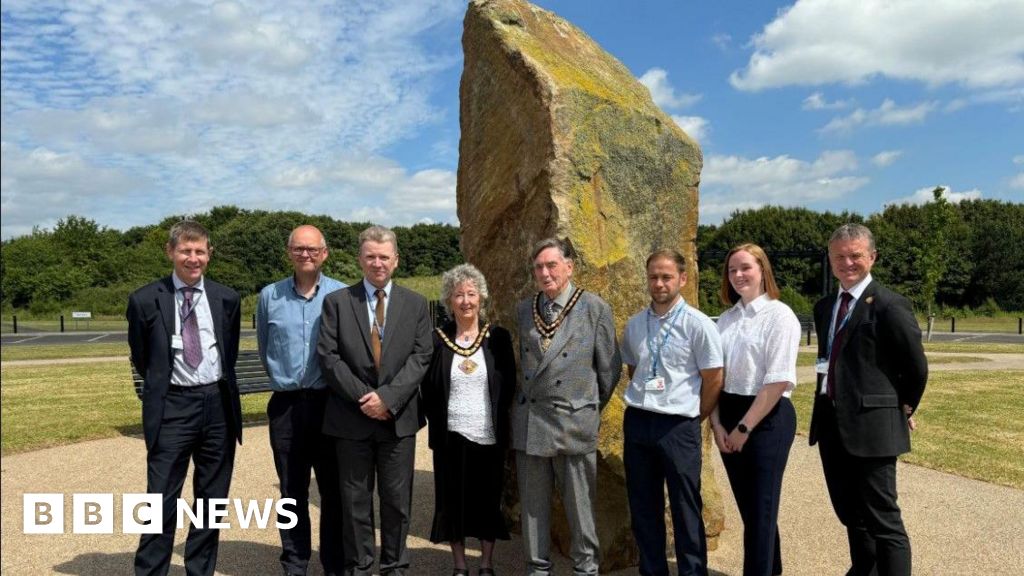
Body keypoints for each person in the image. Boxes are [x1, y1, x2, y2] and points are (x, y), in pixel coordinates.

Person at [809, 224, 928, 576]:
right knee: (851, 514)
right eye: (839, 256)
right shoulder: (825, 307)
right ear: (830, 259)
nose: (847, 263)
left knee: (883, 521)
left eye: (855, 255)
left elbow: (915, 366)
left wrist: (904, 405)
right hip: (832, 425)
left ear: (872, 257)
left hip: (874, 428)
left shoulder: (889, 305)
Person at [126, 220, 241, 576]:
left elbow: (229, 351)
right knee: (161, 498)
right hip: (173, 407)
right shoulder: (145, 300)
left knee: (211, 500)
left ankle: (200, 569)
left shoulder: (227, 298)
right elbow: (143, 358)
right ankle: (151, 570)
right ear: (170, 252)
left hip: (217, 406)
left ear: (209, 254)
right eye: (185, 251)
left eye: (200, 251)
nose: (193, 258)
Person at [317, 225, 432, 576]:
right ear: (360, 259)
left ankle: (394, 566)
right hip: (351, 419)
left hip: (398, 420)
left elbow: (421, 356)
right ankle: (360, 567)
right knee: (355, 502)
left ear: (396, 260)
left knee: (396, 502)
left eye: (384, 257)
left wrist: (387, 399)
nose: (377, 263)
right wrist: (365, 399)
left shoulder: (416, 304)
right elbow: (329, 357)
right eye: (371, 256)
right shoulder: (337, 302)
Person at [513, 237, 621, 576]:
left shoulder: (594, 308)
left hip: (573, 424)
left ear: (569, 267)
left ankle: (586, 570)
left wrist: (584, 406)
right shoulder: (525, 310)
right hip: (532, 423)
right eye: (538, 268)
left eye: (552, 265)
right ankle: (537, 570)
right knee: (533, 510)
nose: (545, 273)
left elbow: (609, 370)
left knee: (581, 509)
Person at [620, 248, 723, 576]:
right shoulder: (635, 324)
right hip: (639, 421)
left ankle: (692, 571)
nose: (659, 283)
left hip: (679, 426)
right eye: (653, 277)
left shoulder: (698, 325)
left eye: (666, 277)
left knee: (685, 506)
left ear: (682, 278)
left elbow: (713, 377)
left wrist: (695, 415)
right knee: (643, 506)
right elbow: (633, 370)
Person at [257, 225, 347, 576]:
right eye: (298, 248)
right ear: (289, 252)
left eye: (312, 249)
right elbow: (265, 348)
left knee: (333, 490)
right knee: (291, 491)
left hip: (330, 404)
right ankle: (295, 564)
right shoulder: (270, 296)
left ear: (324, 253)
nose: (305, 254)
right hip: (287, 406)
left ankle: (334, 563)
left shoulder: (341, 294)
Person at [710, 244, 801, 576]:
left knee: (762, 510)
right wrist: (717, 425)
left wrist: (744, 428)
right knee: (752, 512)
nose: (738, 275)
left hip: (767, 418)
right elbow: (713, 377)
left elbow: (777, 381)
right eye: (732, 270)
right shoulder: (725, 320)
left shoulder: (780, 316)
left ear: (763, 270)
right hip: (728, 413)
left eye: (745, 267)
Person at [422, 264, 515, 576]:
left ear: (481, 298)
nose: (465, 301)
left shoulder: (497, 338)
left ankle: (486, 563)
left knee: (488, 499)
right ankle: (460, 564)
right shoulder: (437, 340)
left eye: (471, 294)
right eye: (458, 294)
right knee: (453, 503)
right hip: (450, 437)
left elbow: (509, 384)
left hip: (488, 435)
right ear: (449, 300)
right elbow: (428, 387)